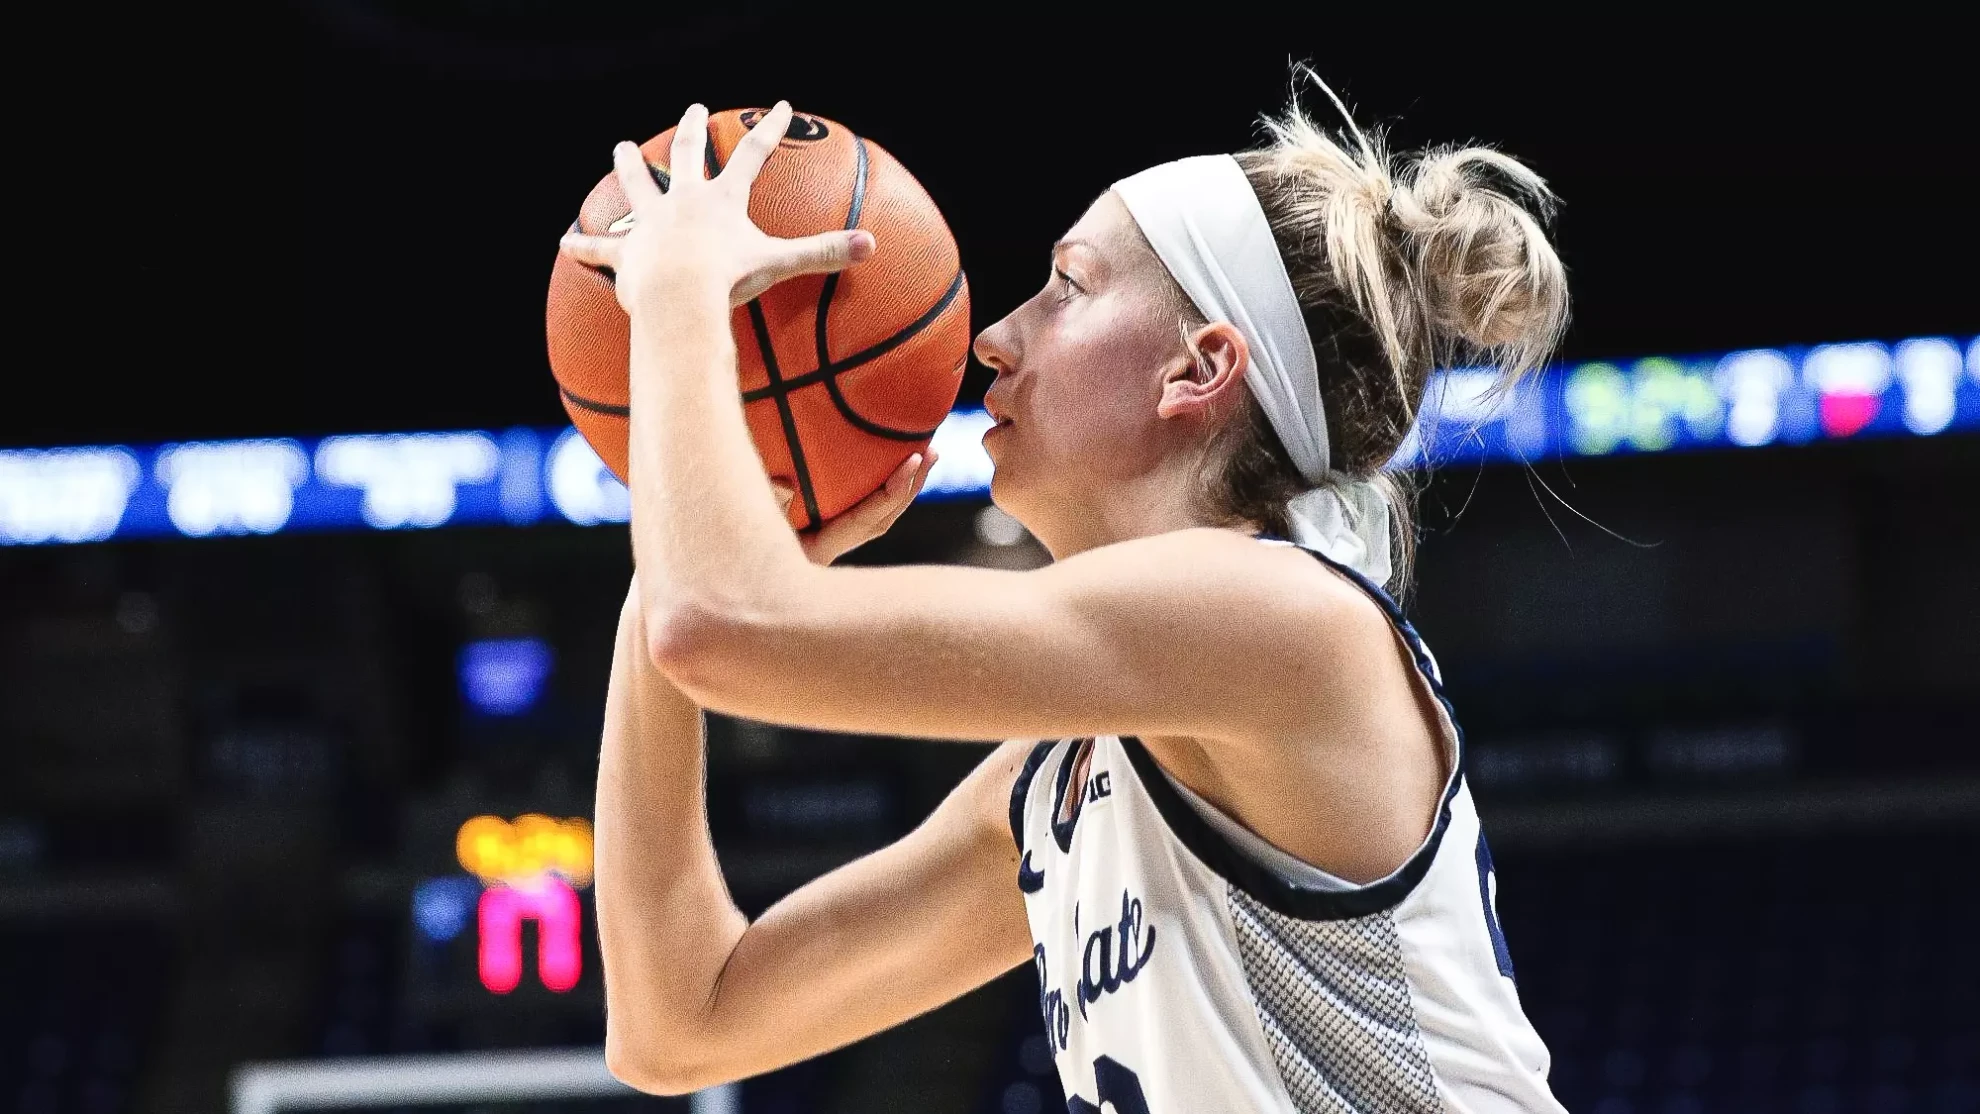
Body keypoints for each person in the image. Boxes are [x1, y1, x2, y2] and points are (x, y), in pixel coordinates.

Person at [560, 72, 1571, 1112]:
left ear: (1200, 366)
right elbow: (682, 1022)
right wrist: (659, 590)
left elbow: (724, 627)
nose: (996, 335)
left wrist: (680, 301)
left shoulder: (1287, 624)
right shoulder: (1057, 784)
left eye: (1068, 285)